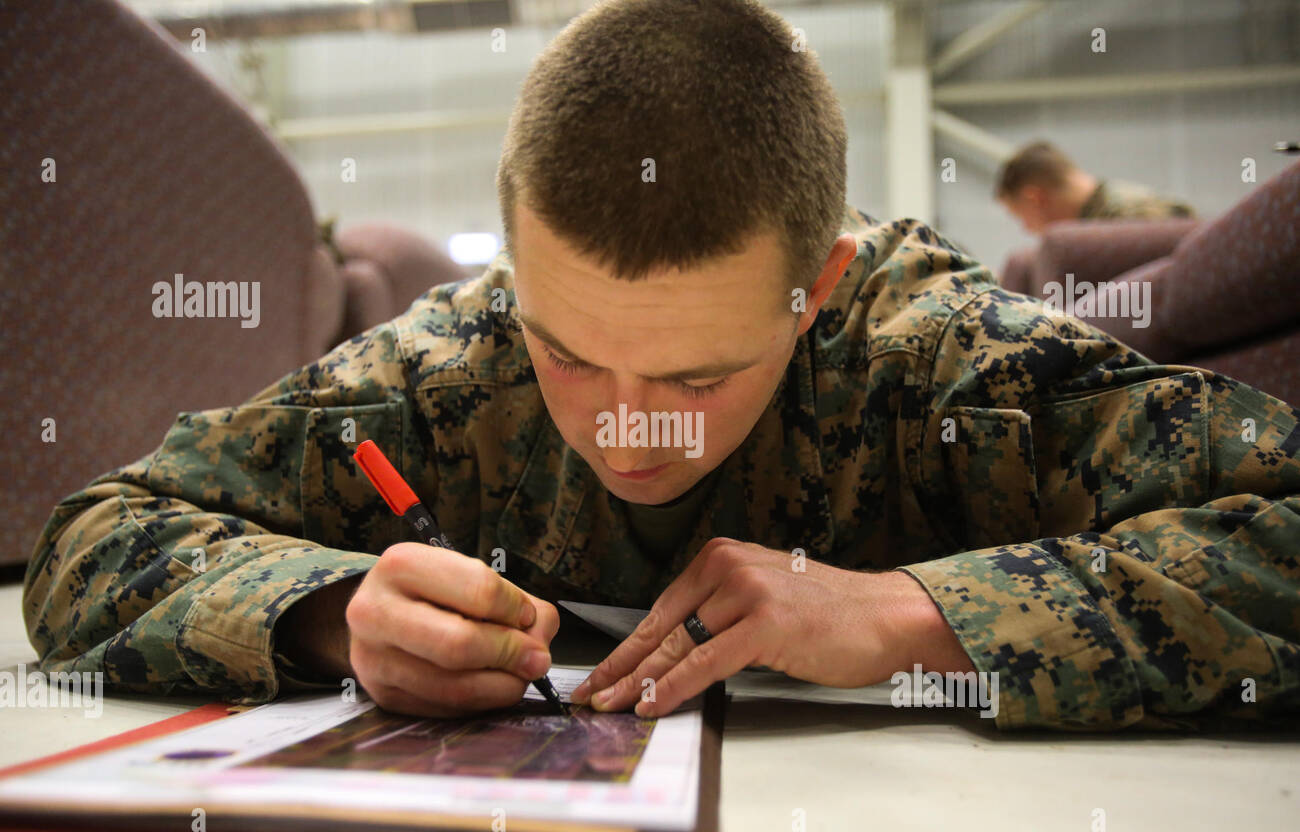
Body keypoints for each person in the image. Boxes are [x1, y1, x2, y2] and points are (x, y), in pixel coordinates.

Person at [24, 0, 1299, 732]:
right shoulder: (450, 364)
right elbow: (94, 532)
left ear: (820, 298)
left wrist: (918, 614)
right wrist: (330, 610)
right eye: (569, 355)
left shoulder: (946, 364)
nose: (632, 436)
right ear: (513, 280)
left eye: (698, 379)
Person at [995, 140, 1196, 234]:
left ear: (1035, 199)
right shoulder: (1102, 220)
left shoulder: (1128, 217)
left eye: (1022, 218)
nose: (1028, 229)